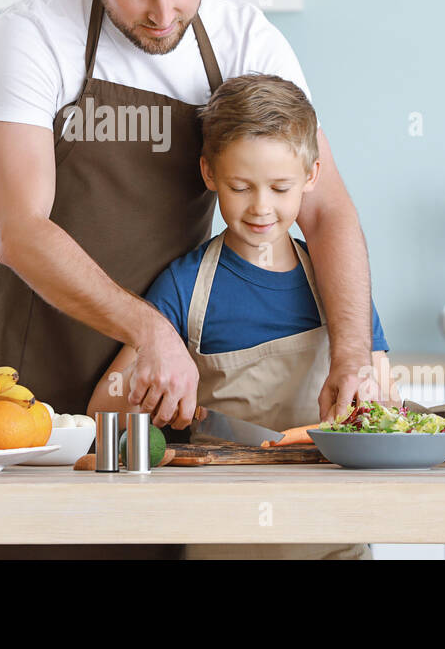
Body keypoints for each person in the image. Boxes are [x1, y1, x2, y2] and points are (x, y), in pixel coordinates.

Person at [0, 0, 380, 561]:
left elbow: (326, 212)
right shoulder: (31, 34)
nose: (163, 14)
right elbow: (18, 229)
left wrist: (351, 357)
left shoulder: (241, 40)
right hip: (21, 365)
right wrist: (151, 331)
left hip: (148, 382)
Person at [88, 74, 389, 559]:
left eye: (280, 187)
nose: (261, 207)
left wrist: (373, 408)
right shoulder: (185, 286)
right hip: (222, 541)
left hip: (333, 540)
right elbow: (103, 414)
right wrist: (153, 409)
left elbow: (388, 412)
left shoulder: (341, 292)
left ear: (313, 177)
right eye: (241, 186)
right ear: (209, 174)